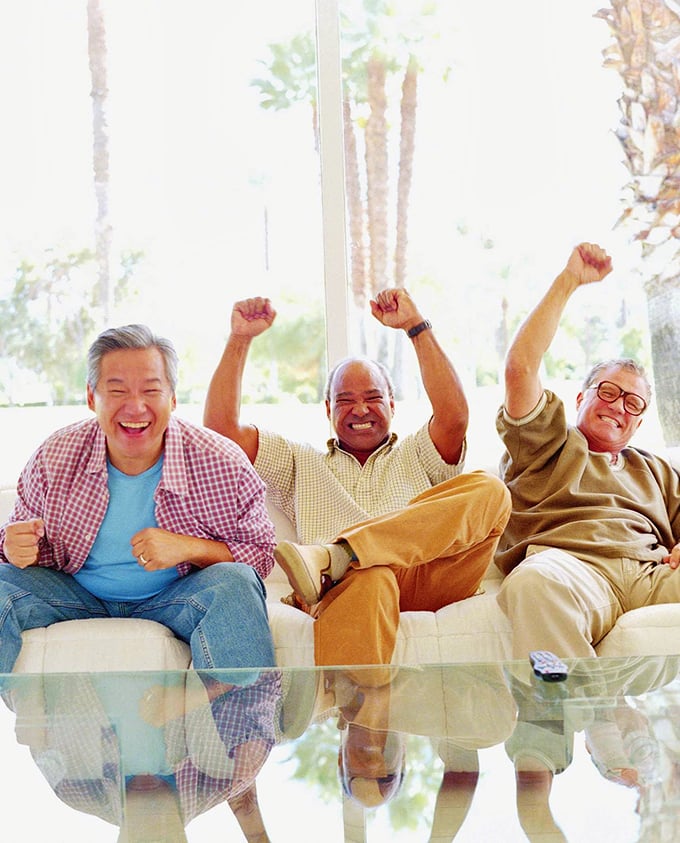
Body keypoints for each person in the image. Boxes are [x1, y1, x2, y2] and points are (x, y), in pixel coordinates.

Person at [203, 288, 511, 677]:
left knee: (491, 490)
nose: (360, 409)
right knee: (373, 575)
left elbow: (453, 417)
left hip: (428, 577)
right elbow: (222, 432)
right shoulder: (301, 461)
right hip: (350, 589)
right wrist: (240, 339)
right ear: (328, 409)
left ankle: (339, 554)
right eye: (345, 400)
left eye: (372, 397)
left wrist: (416, 326)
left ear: (392, 405)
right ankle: (366, 727)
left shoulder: (418, 452)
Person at [0, 324, 277, 678]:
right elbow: (13, 545)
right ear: (91, 397)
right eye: (116, 391)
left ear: (173, 399)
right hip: (75, 593)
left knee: (235, 584)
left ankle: (245, 732)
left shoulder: (220, 460)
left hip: (174, 597)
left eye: (151, 390)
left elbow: (261, 555)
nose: (135, 407)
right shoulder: (55, 456)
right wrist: (14, 547)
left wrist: (188, 548)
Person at [496, 241, 680, 659]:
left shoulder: (655, 470)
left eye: (632, 403)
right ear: (581, 399)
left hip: (651, 574)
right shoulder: (548, 441)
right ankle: (576, 715)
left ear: (639, 421)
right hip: (572, 569)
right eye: (609, 392)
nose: (618, 406)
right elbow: (520, 368)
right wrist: (569, 281)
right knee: (531, 584)